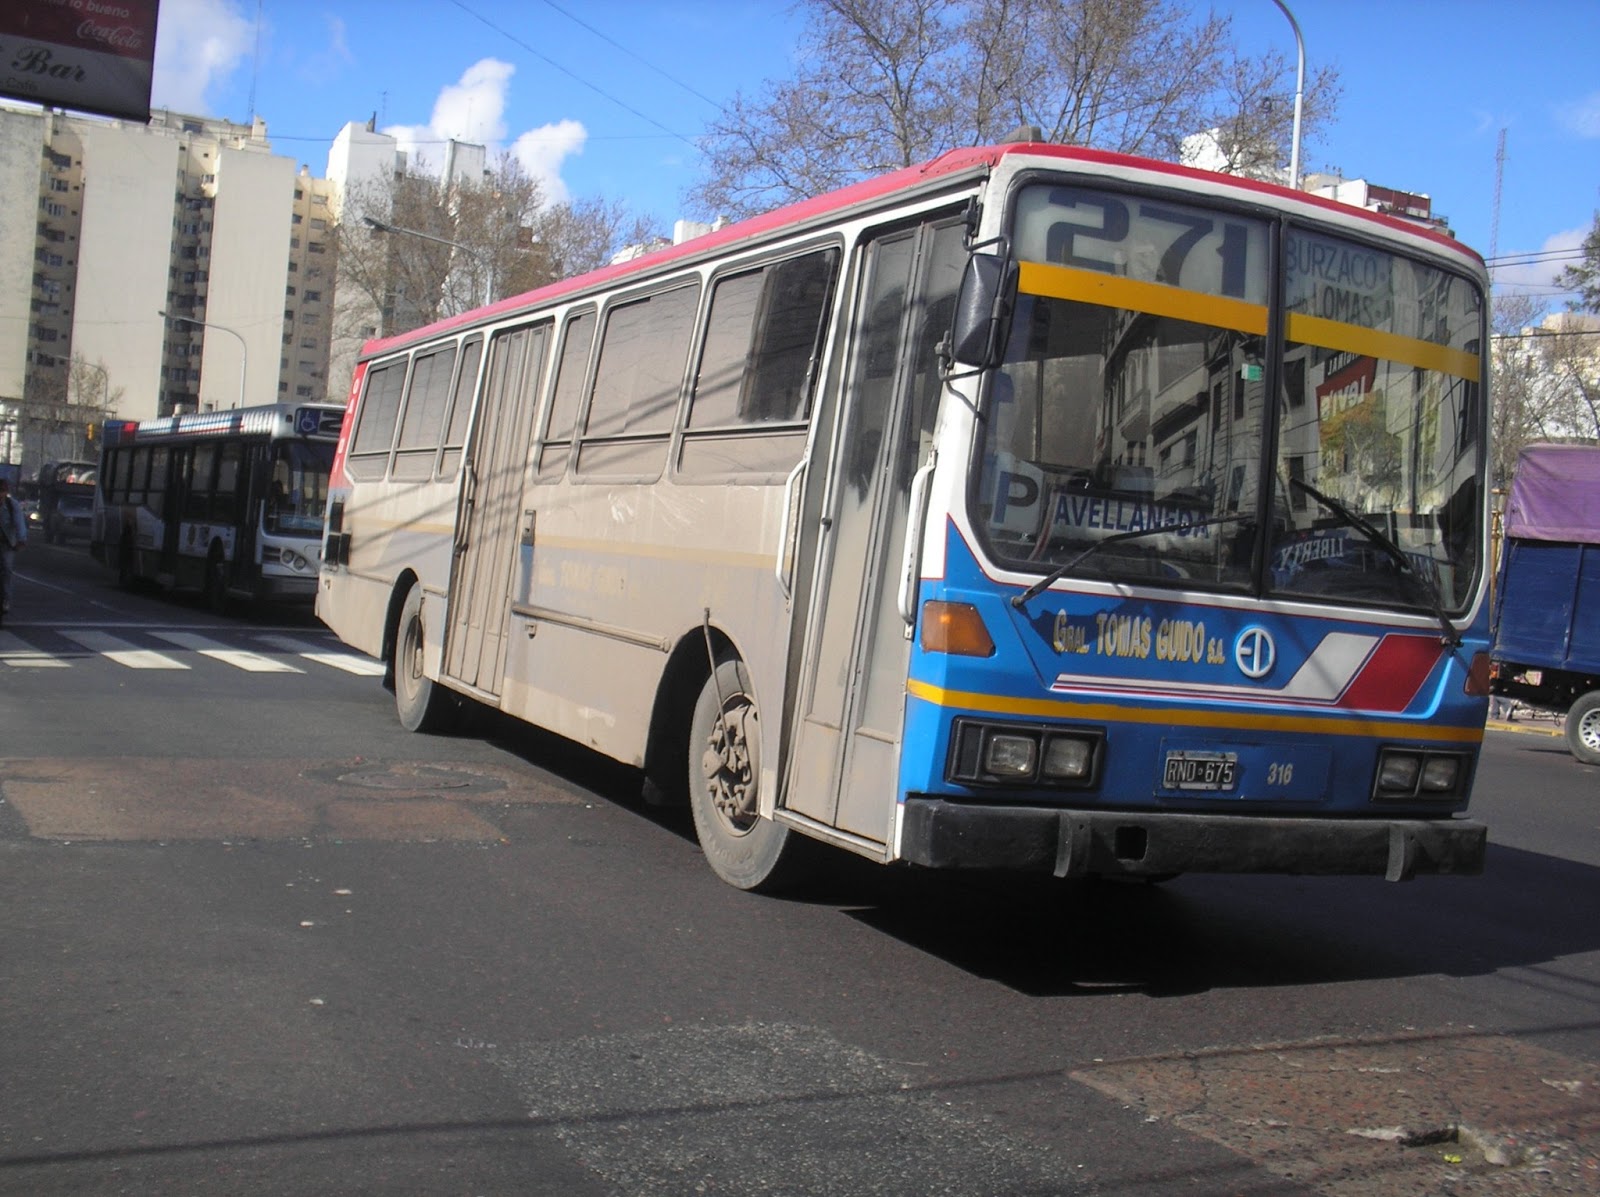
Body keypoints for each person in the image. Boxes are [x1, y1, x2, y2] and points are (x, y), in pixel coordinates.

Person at [0, 475, 26, 626]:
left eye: (2, 491)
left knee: (7, 570)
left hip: (6, 544)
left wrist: (22, 540)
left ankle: (5, 601)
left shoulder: (12, 505)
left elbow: (19, 523)